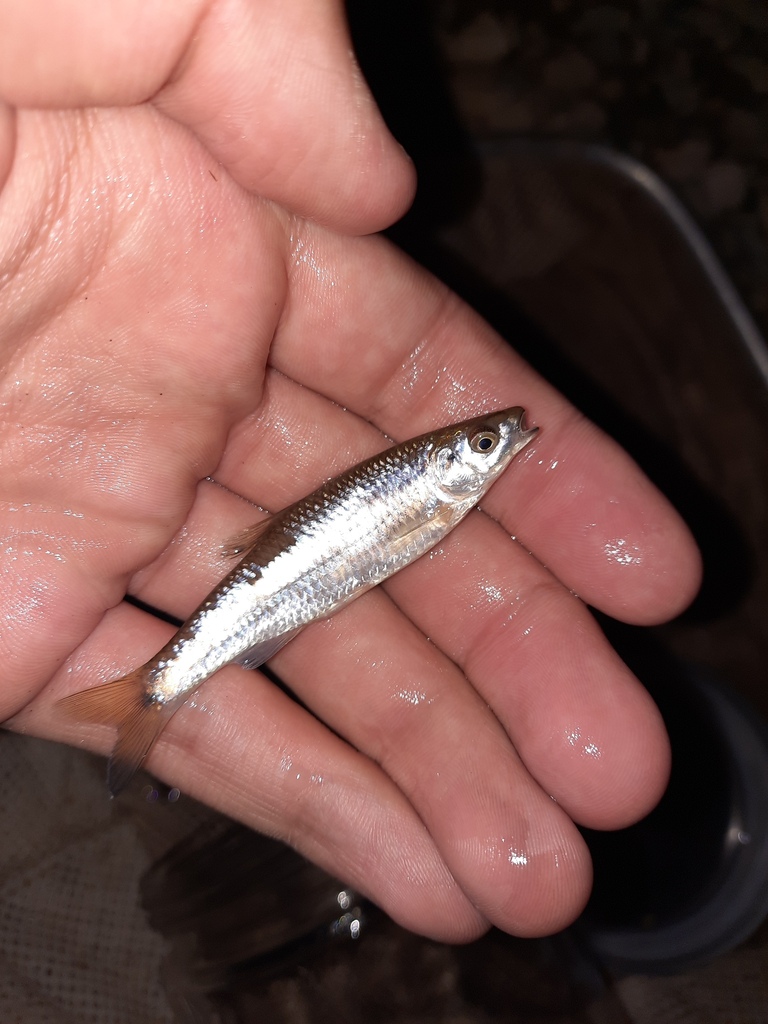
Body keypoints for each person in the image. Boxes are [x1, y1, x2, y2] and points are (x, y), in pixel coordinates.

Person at [0, 0, 700, 942]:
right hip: (269, 587)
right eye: (483, 448)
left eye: (485, 449)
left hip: (279, 577)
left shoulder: (442, 488)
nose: (494, 453)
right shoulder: (440, 487)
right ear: (456, 466)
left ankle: (152, 693)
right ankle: (151, 694)